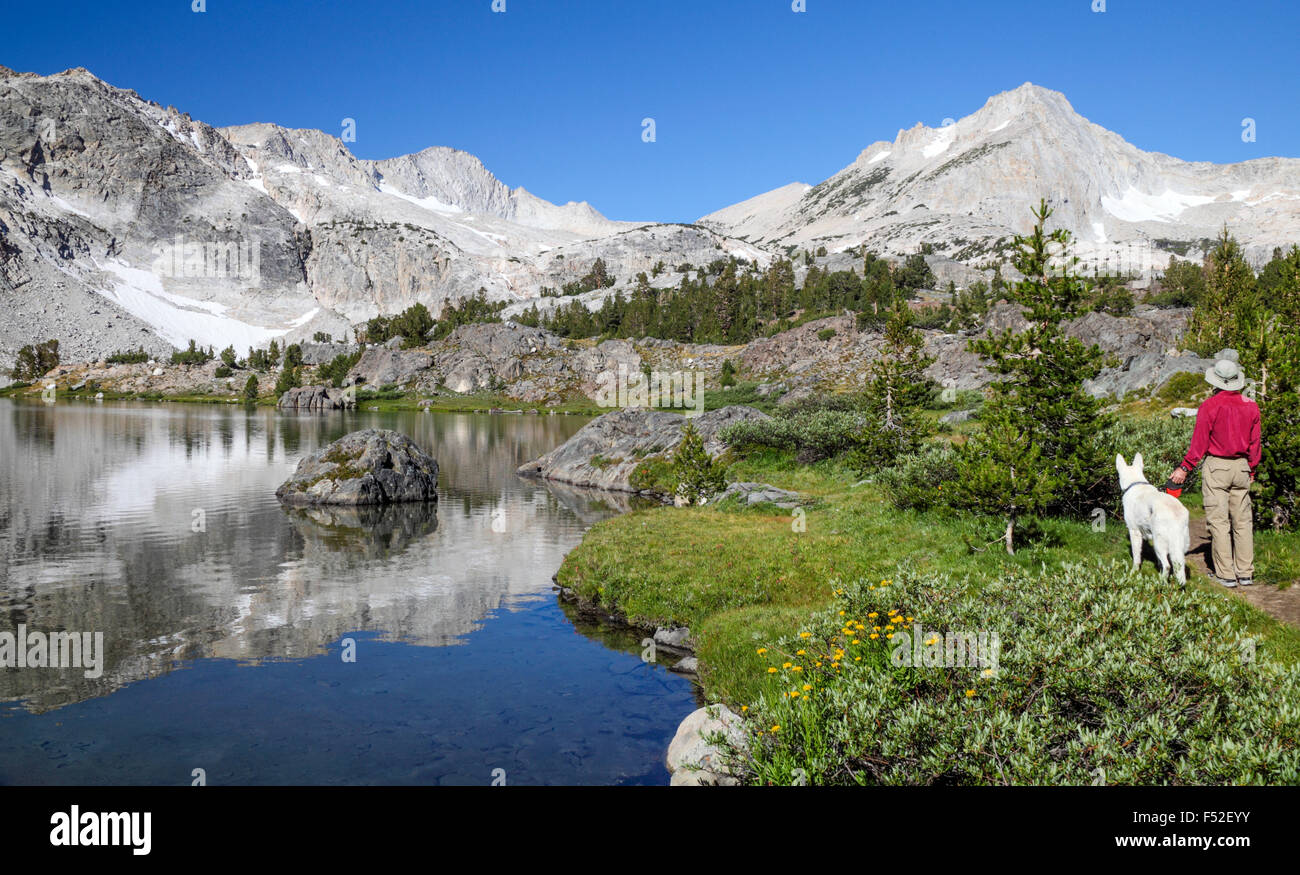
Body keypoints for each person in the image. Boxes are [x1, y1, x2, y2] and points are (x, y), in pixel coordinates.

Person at [1169, 351, 1261, 587]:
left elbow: (1198, 445)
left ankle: (1226, 574)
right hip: (1242, 467)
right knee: (1242, 521)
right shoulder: (1251, 406)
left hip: (1216, 467)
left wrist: (1184, 468)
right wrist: (1251, 469)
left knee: (1219, 522)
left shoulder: (1209, 406)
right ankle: (1245, 572)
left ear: (1216, 381)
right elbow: (1255, 444)